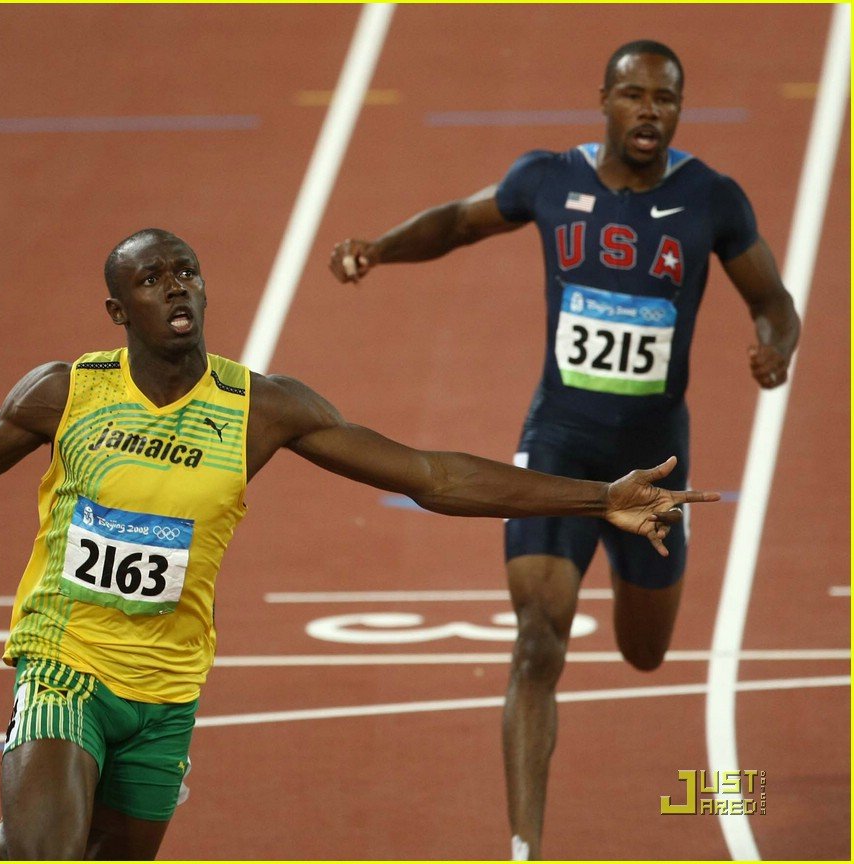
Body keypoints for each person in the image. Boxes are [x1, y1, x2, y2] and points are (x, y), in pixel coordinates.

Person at [0, 228, 717, 861]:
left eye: (189, 273)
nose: (178, 287)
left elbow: (430, 474)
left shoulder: (261, 409)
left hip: (166, 694)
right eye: (153, 277)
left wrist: (594, 498)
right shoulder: (66, 391)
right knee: (44, 849)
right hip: (66, 663)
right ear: (116, 306)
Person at [328, 40, 799, 861]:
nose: (650, 110)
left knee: (645, 653)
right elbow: (455, 224)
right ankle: (524, 847)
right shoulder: (549, 179)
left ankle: (630, 576)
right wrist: (379, 247)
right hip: (559, 446)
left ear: (679, 111)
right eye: (634, 94)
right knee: (538, 639)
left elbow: (774, 299)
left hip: (656, 463)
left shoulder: (711, 199)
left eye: (666, 98)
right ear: (605, 101)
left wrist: (776, 346)